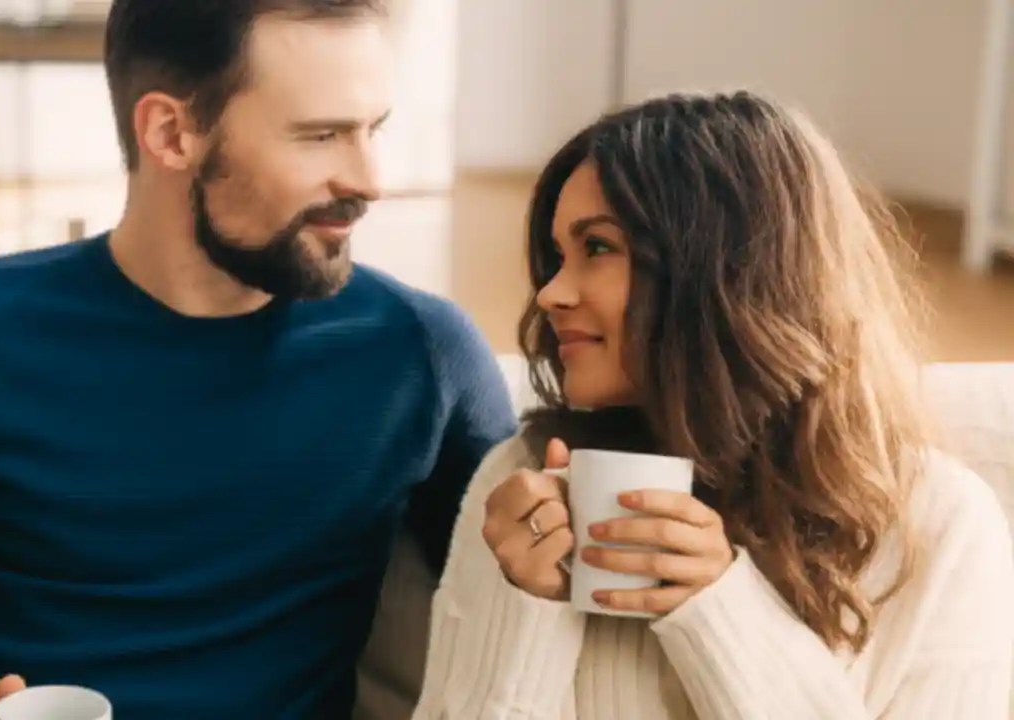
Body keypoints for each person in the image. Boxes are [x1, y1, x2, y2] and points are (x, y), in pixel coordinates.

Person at [0, 1, 516, 718]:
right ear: (169, 133)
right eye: (320, 136)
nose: (370, 180)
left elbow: (528, 597)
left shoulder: (421, 357)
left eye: (373, 129)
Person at [413, 91, 1014, 718]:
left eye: (597, 248)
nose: (551, 294)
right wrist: (526, 606)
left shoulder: (938, 525)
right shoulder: (527, 481)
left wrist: (719, 609)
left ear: (723, 276)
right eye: (557, 255)